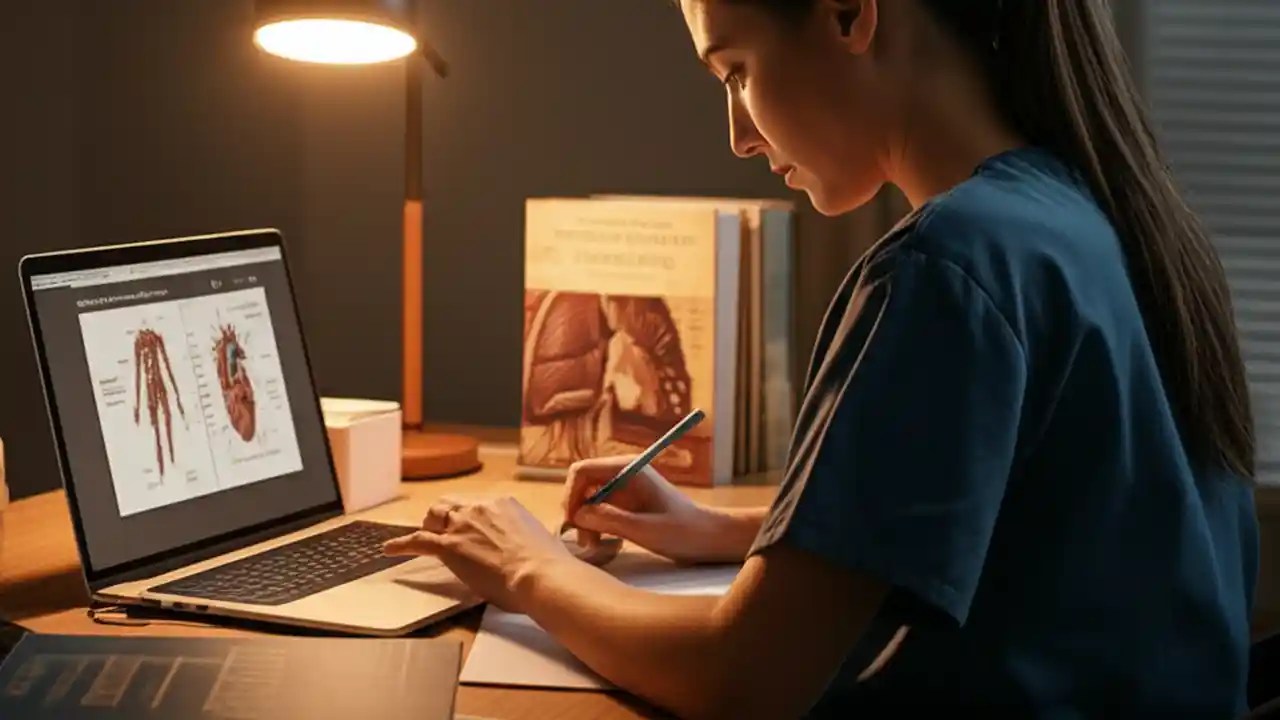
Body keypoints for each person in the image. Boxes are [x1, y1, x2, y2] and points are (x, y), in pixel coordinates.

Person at [382, 0, 1261, 716]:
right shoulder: (1087, 218)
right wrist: (735, 532)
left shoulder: (951, 264)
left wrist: (528, 566)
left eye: (736, 72)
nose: (738, 134)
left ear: (849, 14)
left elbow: (742, 681)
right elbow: (1031, 526)